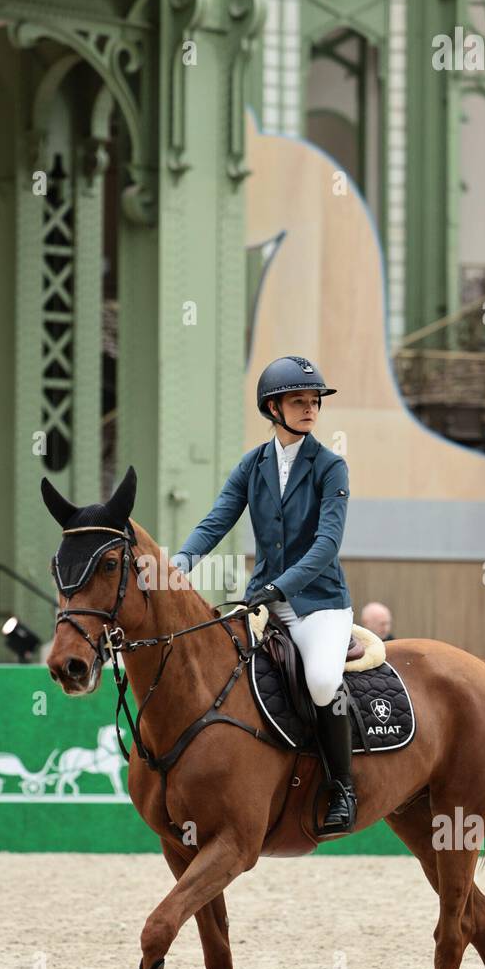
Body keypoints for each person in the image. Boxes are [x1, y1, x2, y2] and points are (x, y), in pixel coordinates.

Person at [170, 355, 356, 832]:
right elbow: (216, 522)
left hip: (318, 604)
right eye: (300, 401)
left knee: (319, 681)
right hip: (262, 602)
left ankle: (343, 788)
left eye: (314, 401)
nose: (311, 409)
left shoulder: (330, 467)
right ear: (273, 407)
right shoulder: (252, 466)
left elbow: (326, 545)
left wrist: (279, 586)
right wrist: (177, 565)